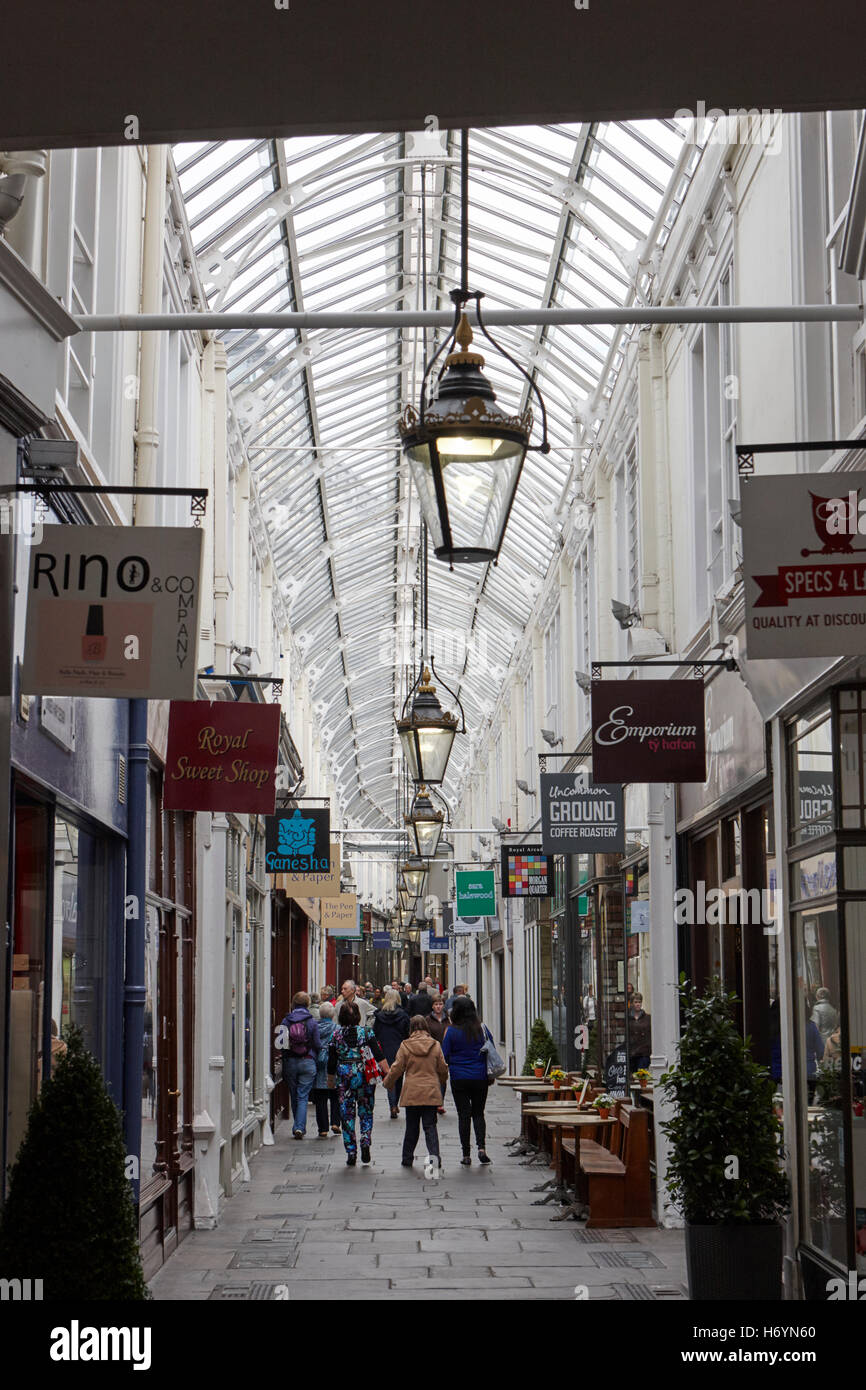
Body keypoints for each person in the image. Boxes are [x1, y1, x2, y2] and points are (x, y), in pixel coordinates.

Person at [327, 1001, 389, 1165]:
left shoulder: (336, 1035)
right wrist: (389, 1074)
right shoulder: (367, 1033)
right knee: (366, 1110)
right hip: (364, 1076)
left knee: (346, 1114)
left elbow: (331, 1061)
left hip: (344, 1077)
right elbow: (378, 1054)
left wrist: (330, 1081)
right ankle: (365, 1140)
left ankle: (351, 1152)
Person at [385, 1016, 449, 1171]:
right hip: (430, 1090)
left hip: (412, 1091)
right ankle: (434, 1158)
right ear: (426, 1027)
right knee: (430, 1127)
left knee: (411, 1127)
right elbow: (442, 1067)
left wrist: (388, 1083)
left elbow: (397, 1067)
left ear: (411, 1028)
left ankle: (407, 1159)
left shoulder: (406, 1046)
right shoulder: (435, 1045)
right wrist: (441, 1080)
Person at [441, 995, 493, 1165]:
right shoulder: (482, 1028)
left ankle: (466, 1154)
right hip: (480, 1076)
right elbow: (490, 1048)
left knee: (464, 1115)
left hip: (459, 1077)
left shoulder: (452, 1031)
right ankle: (482, 1148)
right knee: (478, 1113)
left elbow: (445, 1054)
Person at [280, 991, 323, 1139]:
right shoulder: (311, 1022)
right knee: (303, 1095)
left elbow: (281, 1044)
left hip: (291, 1062)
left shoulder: (286, 1021)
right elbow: (317, 1044)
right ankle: (299, 1127)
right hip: (308, 1061)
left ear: (293, 1003)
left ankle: (298, 1125)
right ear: (307, 1004)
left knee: (294, 1094)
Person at [373, 987, 411, 1118]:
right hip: (399, 1048)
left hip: (384, 1049)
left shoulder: (379, 1016)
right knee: (399, 1076)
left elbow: (375, 1033)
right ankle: (395, 1103)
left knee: (389, 1077)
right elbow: (407, 1033)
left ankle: (392, 1105)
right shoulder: (403, 1016)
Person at [311, 1001, 341, 1137]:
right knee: (335, 1095)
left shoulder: (314, 1028)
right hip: (333, 1066)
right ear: (333, 1014)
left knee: (321, 1097)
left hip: (318, 1064)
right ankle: (335, 1122)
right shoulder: (337, 1028)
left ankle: (323, 1128)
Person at [426, 993, 449, 1113]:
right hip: (432, 1053)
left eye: (440, 1004)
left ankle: (440, 1102)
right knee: (433, 1078)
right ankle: (433, 1101)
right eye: (436, 1004)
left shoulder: (448, 1019)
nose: (439, 1007)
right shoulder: (428, 1020)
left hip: (445, 1053)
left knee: (442, 1078)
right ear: (432, 1006)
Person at [628, 993, 651, 1073]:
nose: (638, 1004)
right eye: (635, 1002)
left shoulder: (648, 1018)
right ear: (631, 1003)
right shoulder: (628, 1019)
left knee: (642, 1076)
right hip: (631, 1053)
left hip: (644, 1053)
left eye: (639, 1002)